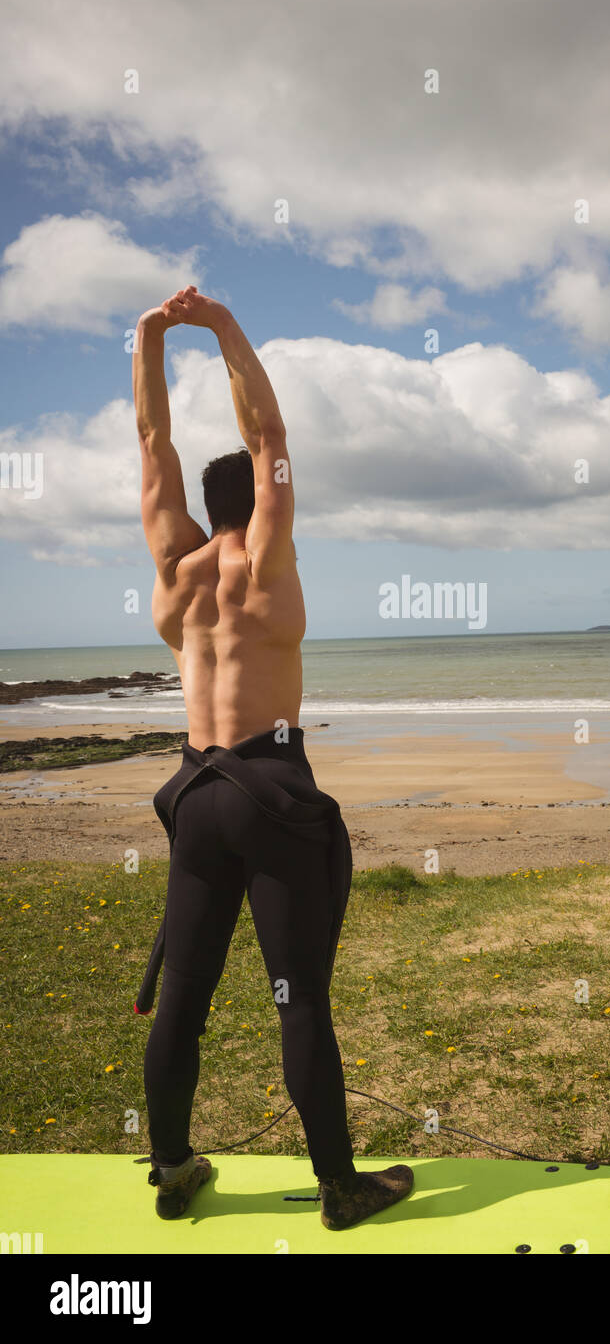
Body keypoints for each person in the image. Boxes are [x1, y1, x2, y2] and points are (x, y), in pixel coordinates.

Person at [132, 285, 412, 1229]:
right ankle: (339, 1187)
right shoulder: (267, 562)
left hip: (196, 796)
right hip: (272, 789)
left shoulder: (176, 578)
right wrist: (221, 327)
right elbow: (271, 435)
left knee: (185, 995)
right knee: (299, 1001)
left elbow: (152, 449)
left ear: (200, 511)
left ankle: (172, 1168)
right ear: (256, 504)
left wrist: (146, 339)